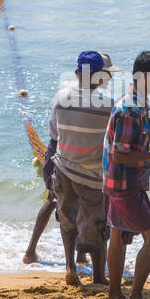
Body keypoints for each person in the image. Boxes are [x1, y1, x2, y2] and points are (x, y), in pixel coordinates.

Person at [103, 51, 150, 299]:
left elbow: (129, 149)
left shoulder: (137, 101)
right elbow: (120, 155)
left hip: (123, 182)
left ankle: (114, 293)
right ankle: (134, 296)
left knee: (118, 236)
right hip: (125, 184)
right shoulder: (130, 107)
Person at [47, 51, 119, 286]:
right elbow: (112, 142)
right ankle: (99, 276)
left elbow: (55, 136)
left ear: (77, 73)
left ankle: (70, 267)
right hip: (93, 176)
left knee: (67, 219)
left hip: (64, 169)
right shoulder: (108, 106)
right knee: (97, 224)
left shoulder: (59, 99)